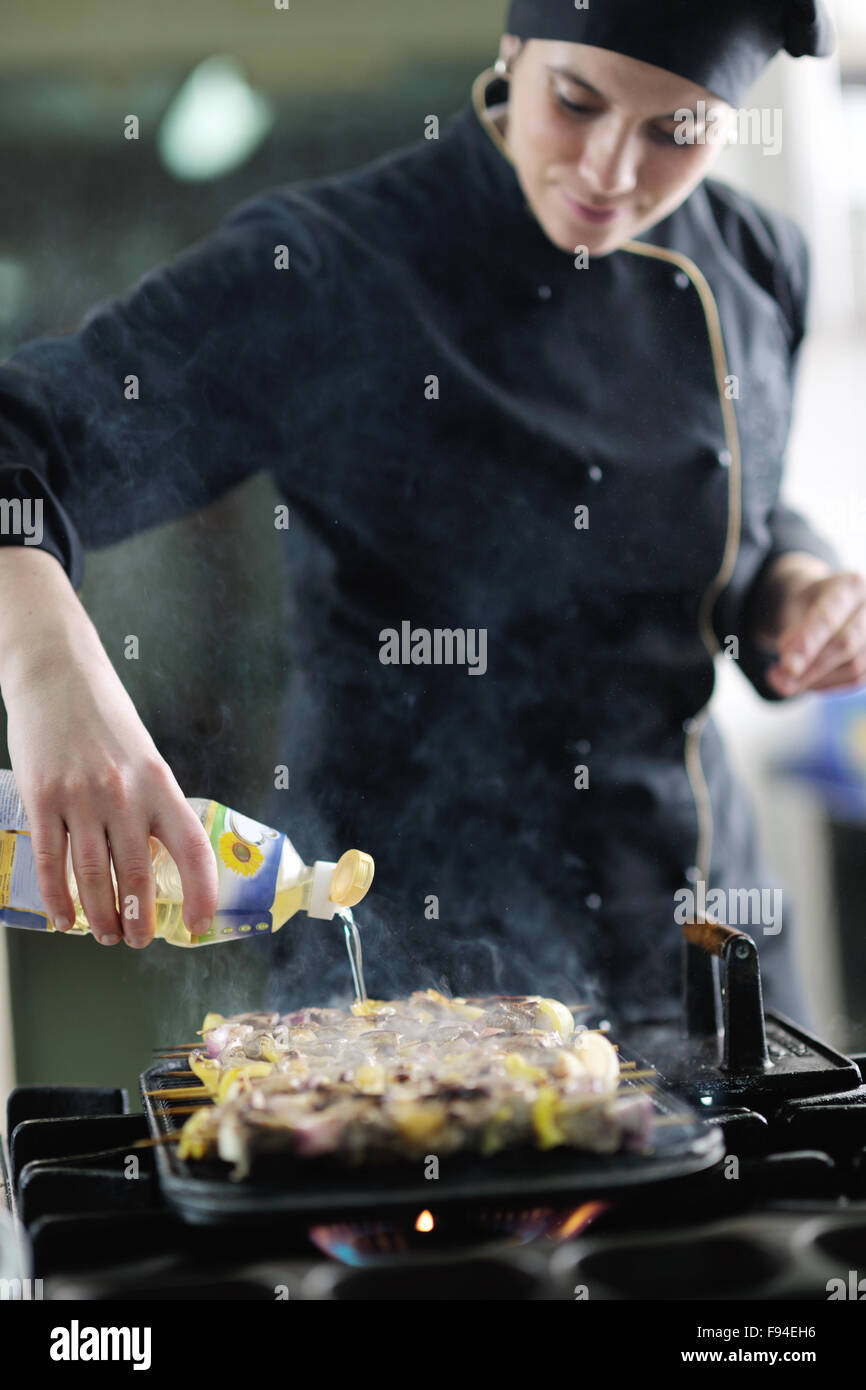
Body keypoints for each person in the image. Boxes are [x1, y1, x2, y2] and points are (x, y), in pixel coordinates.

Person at [0, 1, 863, 1022]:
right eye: (574, 101)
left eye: (675, 133)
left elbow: (736, 517)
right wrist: (48, 668)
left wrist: (792, 588)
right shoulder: (328, 266)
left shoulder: (757, 264)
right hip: (410, 948)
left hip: (702, 934)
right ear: (512, 53)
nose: (608, 171)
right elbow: (24, 437)